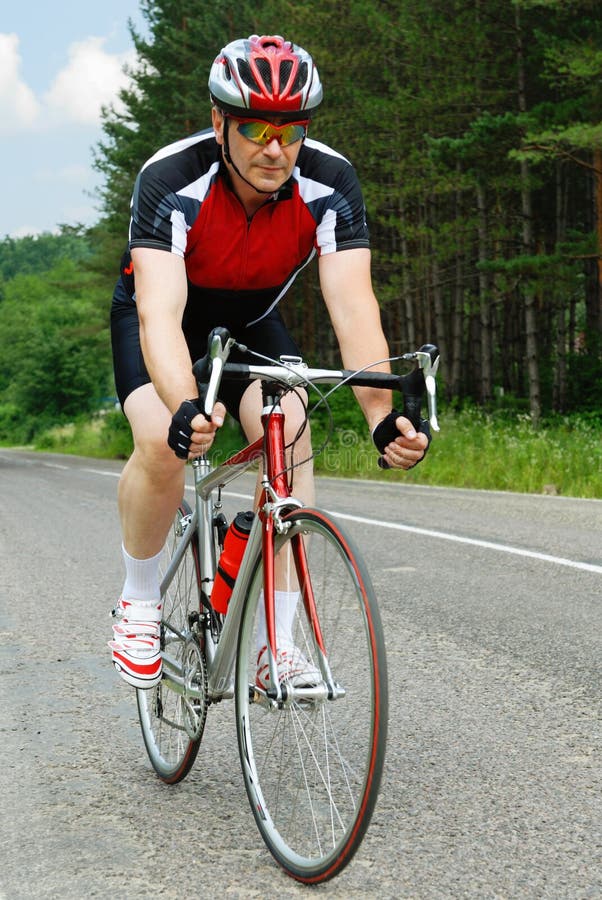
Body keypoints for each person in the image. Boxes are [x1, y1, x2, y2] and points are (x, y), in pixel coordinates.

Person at [109, 34, 430, 690]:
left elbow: (352, 307)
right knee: (161, 442)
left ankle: (276, 646)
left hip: (252, 322)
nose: (275, 147)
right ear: (219, 122)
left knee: (294, 437)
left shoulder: (330, 180)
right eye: (255, 128)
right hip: (167, 317)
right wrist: (185, 405)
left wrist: (380, 415)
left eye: (291, 130)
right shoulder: (171, 178)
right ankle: (139, 601)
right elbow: (161, 315)